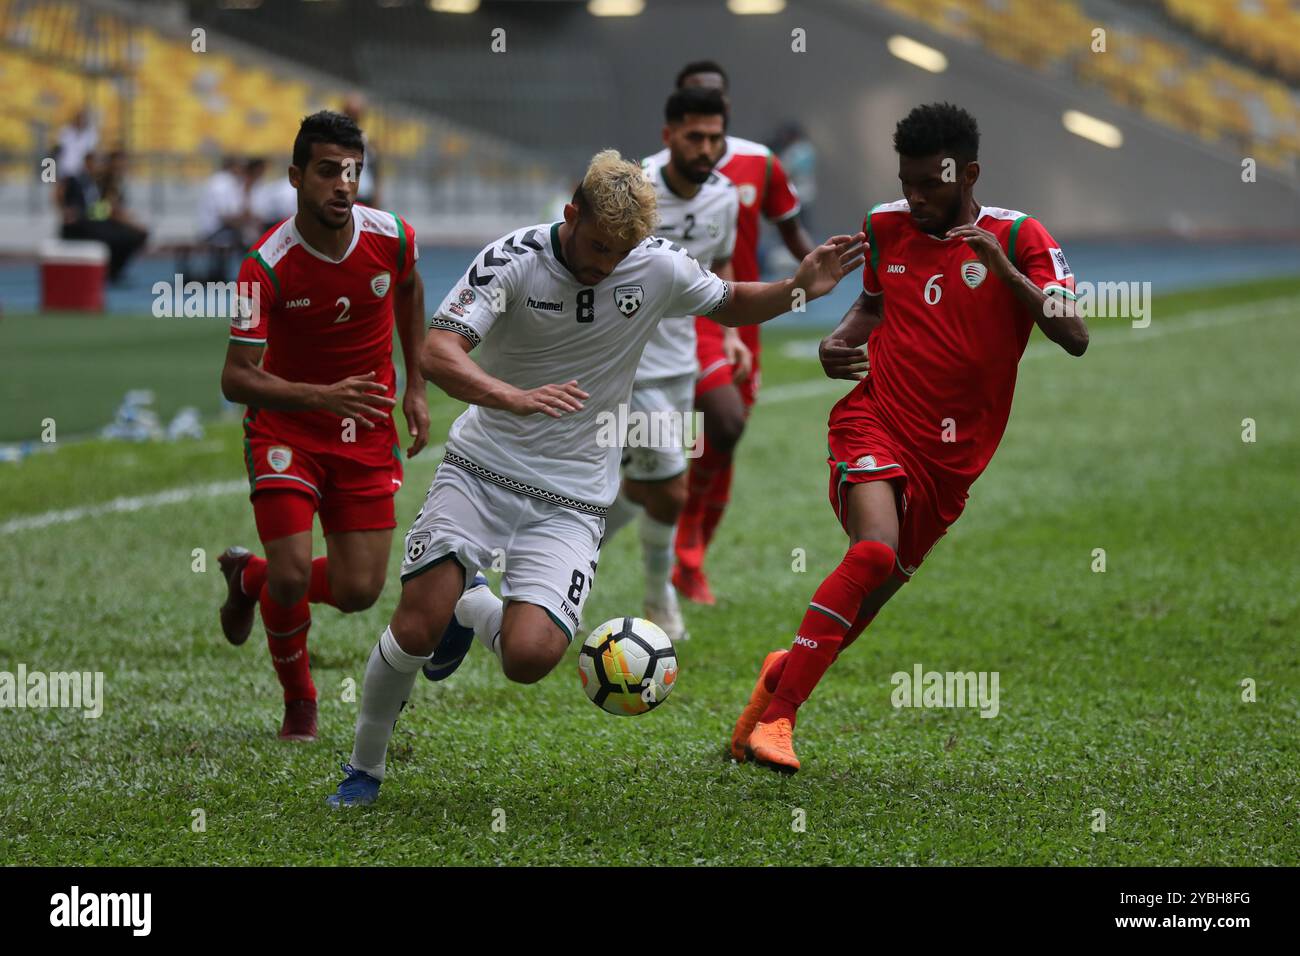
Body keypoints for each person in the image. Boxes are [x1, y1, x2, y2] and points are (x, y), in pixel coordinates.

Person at [326, 148, 865, 806]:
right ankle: (365, 769)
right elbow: (439, 352)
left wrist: (800, 287)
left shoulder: (654, 265)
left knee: (529, 658)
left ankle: (472, 602)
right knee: (415, 626)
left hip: (573, 496)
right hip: (481, 467)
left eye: (619, 252)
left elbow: (729, 303)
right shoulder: (513, 259)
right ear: (570, 212)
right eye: (597, 244)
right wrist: (511, 397)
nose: (605, 263)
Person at [731, 103, 1090, 774]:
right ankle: (780, 721)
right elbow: (871, 302)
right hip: (875, 420)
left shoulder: (1020, 239)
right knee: (870, 553)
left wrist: (1006, 273)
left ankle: (778, 685)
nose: (915, 197)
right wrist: (839, 340)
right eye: (907, 182)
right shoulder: (885, 225)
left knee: (864, 603)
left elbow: (1074, 335)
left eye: (930, 183)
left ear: (969, 173)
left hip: (953, 463)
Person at [216, 111, 430, 742]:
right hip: (287, 430)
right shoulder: (265, 265)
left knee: (360, 589)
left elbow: (410, 290)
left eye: (353, 171)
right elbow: (235, 376)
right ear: (295, 177)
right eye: (329, 170)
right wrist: (319, 396)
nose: (343, 184)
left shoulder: (392, 237)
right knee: (291, 572)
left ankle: (246, 576)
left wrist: (415, 383)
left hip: (363, 430)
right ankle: (300, 704)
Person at [652, 60, 816, 606]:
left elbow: (792, 233)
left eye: (713, 106)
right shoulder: (648, 179)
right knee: (698, 429)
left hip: (735, 316)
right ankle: (666, 549)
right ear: (674, 119)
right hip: (664, 322)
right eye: (692, 110)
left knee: (724, 434)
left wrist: (827, 270)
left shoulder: (758, 166)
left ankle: (688, 558)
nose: (703, 132)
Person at [600, 87, 737, 642]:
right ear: (668, 137)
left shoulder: (725, 197)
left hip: (680, 363)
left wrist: (730, 335)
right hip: (628, 364)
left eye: (714, 137)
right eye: (694, 137)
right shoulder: (635, 192)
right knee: (673, 487)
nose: (706, 149)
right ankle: (661, 596)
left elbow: (718, 264)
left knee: (642, 490)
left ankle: (547, 560)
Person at [59, 150, 147, 283]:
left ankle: (111, 271)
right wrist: (64, 210)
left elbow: (103, 208)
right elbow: (83, 208)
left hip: (95, 223)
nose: (98, 166)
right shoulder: (76, 180)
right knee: (120, 234)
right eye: (95, 162)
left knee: (130, 235)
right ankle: (108, 271)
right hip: (81, 224)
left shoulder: (100, 183)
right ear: (86, 163)